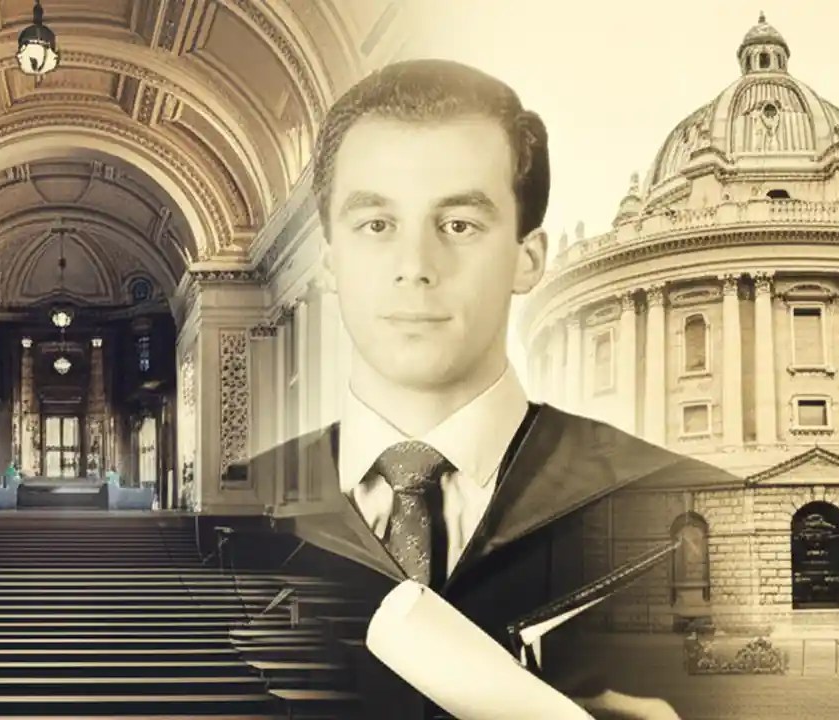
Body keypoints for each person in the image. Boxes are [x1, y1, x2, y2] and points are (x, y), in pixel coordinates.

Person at [251, 58, 740, 719]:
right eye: (376, 224)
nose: (415, 269)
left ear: (527, 257)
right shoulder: (245, 512)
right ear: (332, 260)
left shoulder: (651, 496)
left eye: (459, 224)